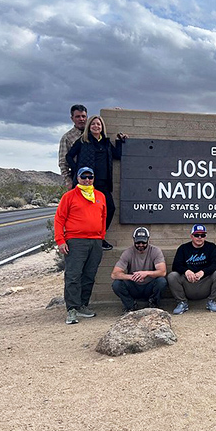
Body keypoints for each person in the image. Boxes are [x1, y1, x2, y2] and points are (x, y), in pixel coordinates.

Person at [54, 167, 106, 325]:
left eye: (90, 177)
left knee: (89, 275)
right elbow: (59, 219)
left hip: (95, 241)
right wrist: (60, 240)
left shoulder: (99, 196)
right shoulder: (69, 196)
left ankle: (83, 305)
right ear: (78, 178)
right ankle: (72, 309)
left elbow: (103, 218)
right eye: (84, 177)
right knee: (73, 275)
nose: (87, 180)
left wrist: (101, 237)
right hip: (75, 241)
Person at [66, 114, 126, 250]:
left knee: (110, 208)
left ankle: (100, 237)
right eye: (93, 124)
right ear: (89, 126)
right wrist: (77, 171)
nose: (96, 126)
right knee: (85, 212)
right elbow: (68, 156)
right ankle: (83, 239)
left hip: (103, 183)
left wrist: (120, 141)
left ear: (102, 127)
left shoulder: (105, 142)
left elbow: (117, 155)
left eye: (98, 124)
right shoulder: (83, 141)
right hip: (87, 184)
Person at [167, 224, 216, 314]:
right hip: (188, 283)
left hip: (204, 282)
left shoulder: (211, 247)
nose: (199, 237)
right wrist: (186, 271)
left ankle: (212, 301)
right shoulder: (183, 248)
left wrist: (203, 272)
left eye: (202, 235)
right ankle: (182, 303)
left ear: (205, 237)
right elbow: (176, 265)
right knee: (172, 276)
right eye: (196, 235)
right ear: (191, 236)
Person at [111, 227, 168, 313]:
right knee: (117, 284)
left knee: (161, 281)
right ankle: (130, 306)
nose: (141, 245)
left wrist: (146, 273)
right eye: (138, 242)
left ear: (148, 240)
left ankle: (153, 303)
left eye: (143, 242)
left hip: (149, 285)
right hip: (134, 286)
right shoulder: (128, 252)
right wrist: (131, 277)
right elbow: (114, 274)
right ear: (134, 240)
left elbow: (163, 272)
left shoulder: (155, 251)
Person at [58, 104, 87, 189]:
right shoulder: (67, 137)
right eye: (78, 116)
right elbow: (63, 162)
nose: (81, 119)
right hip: (77, 178)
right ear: (72, 118)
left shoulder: (93, 133)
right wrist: (68, 181)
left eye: (83, 116)